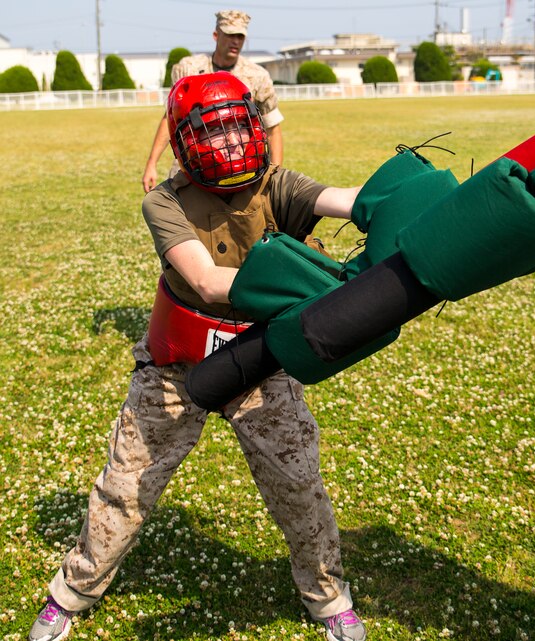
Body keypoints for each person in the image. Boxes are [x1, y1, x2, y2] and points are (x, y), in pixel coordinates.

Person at [30, 73, 366, 641]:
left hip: (260, 360)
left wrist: (399, 202)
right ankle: (72, 591)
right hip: (176, 364)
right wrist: (315, 287)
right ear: (185, 142)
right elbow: (207, 281)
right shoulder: (164, 201)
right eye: (213, 131)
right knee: (127, 484)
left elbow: (345, 200)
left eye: (237, 127)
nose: (230, 141)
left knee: (297, 483)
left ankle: (328, 594)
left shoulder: (275, 184)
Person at [141, 10, 285, 193]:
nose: (235, 41)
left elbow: (272, 128)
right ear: (216, 35)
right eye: (230, 35)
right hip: (194, 164)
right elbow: (171, 121)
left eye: (240, 36)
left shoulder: (257, 76)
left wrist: (274, 177)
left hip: (239, 163)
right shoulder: (189, 69)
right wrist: (152, 163)